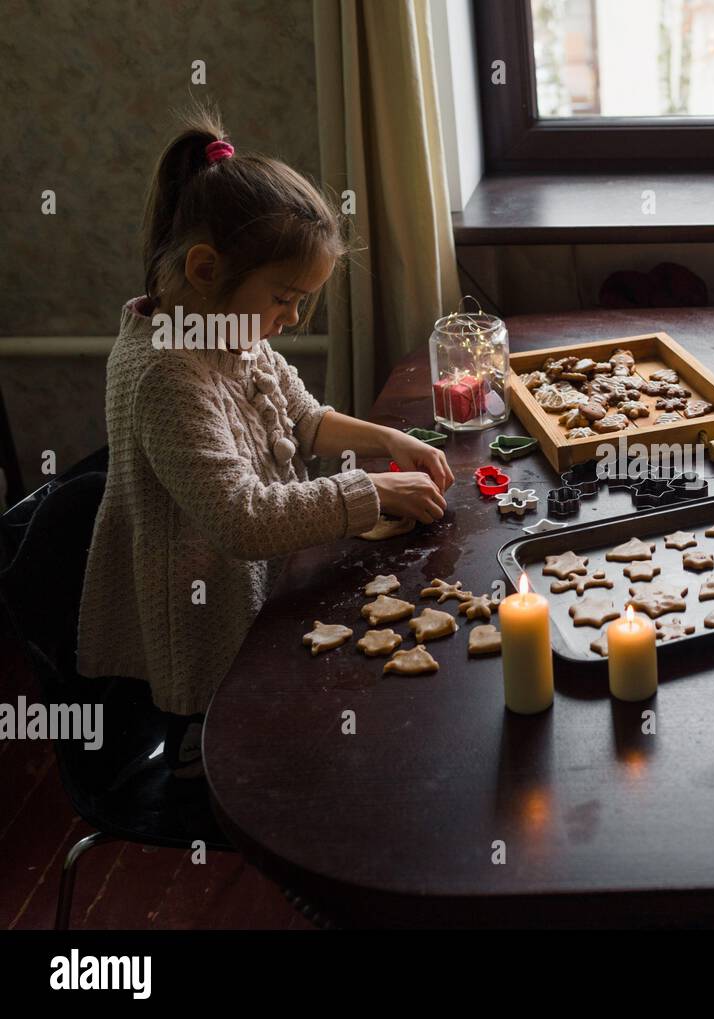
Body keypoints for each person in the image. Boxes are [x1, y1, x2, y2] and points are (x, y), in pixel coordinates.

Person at [77, 107, 453, 777]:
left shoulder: (227, 331)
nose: (294, 318)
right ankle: (210, 771)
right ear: (203, 269)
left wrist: (392, 439)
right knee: (298, 759)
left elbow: (303, 418)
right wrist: (371, 490)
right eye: (285, 297)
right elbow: (242, 519)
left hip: (261, 589)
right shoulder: (163, 372)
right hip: (204, 623)